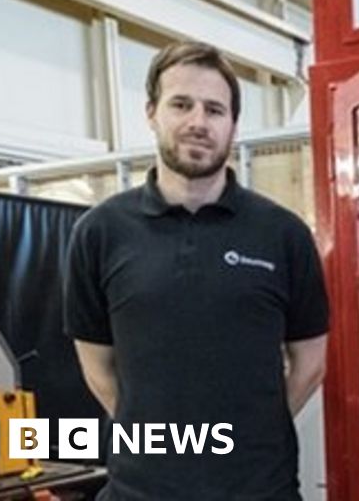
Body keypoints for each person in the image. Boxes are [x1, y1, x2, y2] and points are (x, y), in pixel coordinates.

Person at [64, 41, 329, 500]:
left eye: (214, 109)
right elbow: (97, 367)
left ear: (233, 125)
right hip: (140, 492)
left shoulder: (283, 234)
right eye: (181, 104)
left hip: (260, 491)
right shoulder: (99, 232)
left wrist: (253, 434)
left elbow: (310, 363)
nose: (198, 122)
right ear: (152, 113)